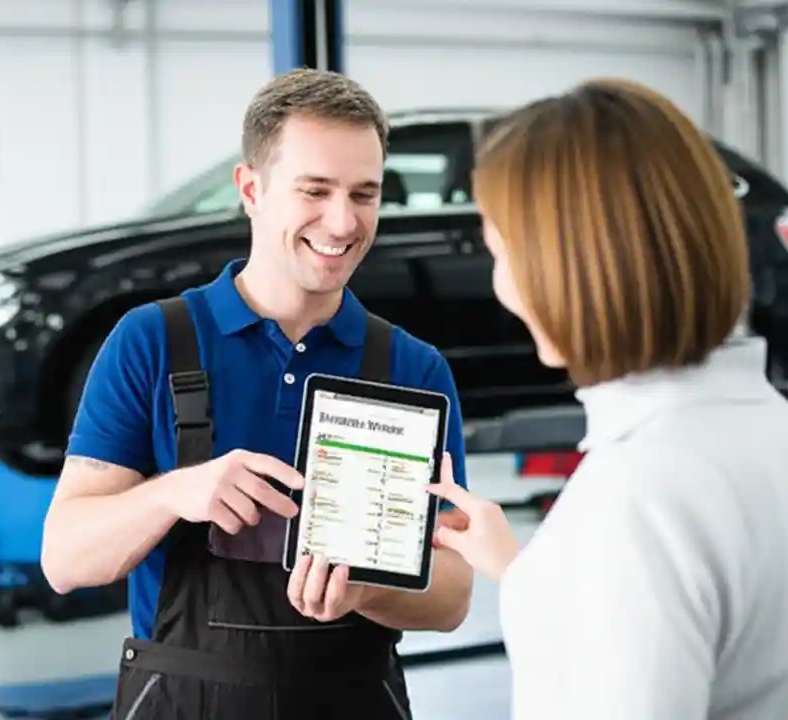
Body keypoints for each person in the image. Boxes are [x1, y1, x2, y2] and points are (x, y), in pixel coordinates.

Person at [41, 68, 474, 719]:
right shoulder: (152, 343)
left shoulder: (412, 370)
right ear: (251, 189)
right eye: (315, 190)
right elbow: (66, 558)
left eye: (365, 193)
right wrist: (173, 493)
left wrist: (362, 592)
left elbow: (452, 597)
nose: (343, 220)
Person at [426, 77, 788, 719]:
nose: (501, 287)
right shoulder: (770, 428)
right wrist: (523, 571)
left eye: (502, 254)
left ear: (570, 266)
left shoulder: (639, 496)